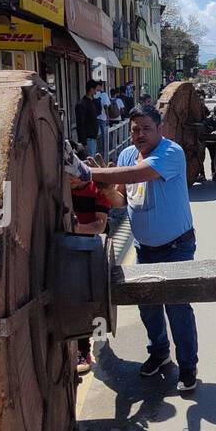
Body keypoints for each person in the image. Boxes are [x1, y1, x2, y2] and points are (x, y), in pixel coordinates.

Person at [64, 104, 200, 392]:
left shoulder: (170, 153)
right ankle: (159, 353)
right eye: (135, 129)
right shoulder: (126, 155)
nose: (139, 134)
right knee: (148, 306)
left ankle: (188, 366)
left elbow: (138, 174)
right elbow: (120, 202)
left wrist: (91, 174)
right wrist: (103, 187)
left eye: (146, 129)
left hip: (177, 246)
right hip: (145, 247)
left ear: (160, 129)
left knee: (177, 307)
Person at [68, 142, 121, 375]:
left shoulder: (98, 188)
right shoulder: (58, 187)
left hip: (92, 252)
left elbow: (99, 226)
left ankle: (86, 347)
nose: (69, 180)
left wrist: (72, 228)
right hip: (66, 249)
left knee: (92, 301)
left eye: (72, 175)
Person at [75, 79, 102, 157]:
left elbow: (98, 112)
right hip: (88, 138)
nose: (96, 92)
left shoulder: (92, 102)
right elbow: (80, 124)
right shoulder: (82, 104)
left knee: (93, 158)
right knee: (90, 161)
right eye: (95, 90)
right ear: (91, 89)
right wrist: (83, 142)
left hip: (93, 137)